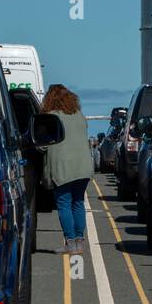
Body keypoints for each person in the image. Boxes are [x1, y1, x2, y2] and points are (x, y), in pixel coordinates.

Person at [41, 84, 95, 253]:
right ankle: (79, 242)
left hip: (63, 167)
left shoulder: (51, 117)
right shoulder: (79, 115)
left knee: (64, 203)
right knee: (78, 202)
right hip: (83, 166)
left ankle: (70, 243)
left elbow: (43, 145)